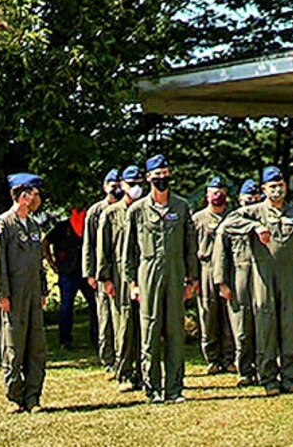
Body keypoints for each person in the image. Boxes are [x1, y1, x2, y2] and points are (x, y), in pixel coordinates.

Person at [218, 166, 293, 395]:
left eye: (280, 186)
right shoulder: (253, 212)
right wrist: (255, 226)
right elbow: (227, 225)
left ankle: (290, 377)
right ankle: (268, 378)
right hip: (263, 277)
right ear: (264, 189)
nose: (277, 191)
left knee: (290, 327)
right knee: (265, 327)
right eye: (272, 187)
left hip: (290, 277)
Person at [122, 154, 199, 404]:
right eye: (157, 176)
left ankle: (175, 388)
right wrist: (132, 283)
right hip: (148, 273)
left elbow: (190, 245)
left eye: (165, 174)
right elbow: (129, 250)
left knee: (175, 330)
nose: (162, 179)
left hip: (176, 273)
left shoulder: (181, 206)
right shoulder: (136, 210)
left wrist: (192, 278)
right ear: (148, 178)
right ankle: (152, 388)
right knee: (150, 329)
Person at [0, 173, 49, 413]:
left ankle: (33, 397)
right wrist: (2, 294)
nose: (38, 199)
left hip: (33, 294)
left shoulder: (34, 225)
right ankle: (15, 397)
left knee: (37, 346)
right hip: (12, 296)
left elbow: (38, 261)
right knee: (13, 347)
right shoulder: (1, 225)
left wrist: (43, 289)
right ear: (23, 196)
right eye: (35, 194)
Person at [97, 165, 145, 391]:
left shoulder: (147, 209)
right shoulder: (110, 213)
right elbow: (102, 249)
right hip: (118, 276)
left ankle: (145, 372)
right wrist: (104, 278)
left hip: (143, 273)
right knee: (124, 325)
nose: (136, 188)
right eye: (131, 184)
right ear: (122, 185)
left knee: (145, 324)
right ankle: (125, 372)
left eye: (139, 184)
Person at [213, 178, 262, 388]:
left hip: (261, 279)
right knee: (241, 328)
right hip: (238, 279)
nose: (252, 202)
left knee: (263, 327)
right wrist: (222, 282)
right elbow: (221, 254)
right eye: (248, 198)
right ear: (240, 200)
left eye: (256, 198)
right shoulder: (232, 220)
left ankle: (263, 369)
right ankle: (245, 371)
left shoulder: (265, 218)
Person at [193, 176, 235, 375]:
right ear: (207, 195)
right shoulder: (198, 219)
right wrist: (191, 278)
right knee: (208, 313)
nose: (218, 196)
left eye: (221, 192)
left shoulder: (233, 217)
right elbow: (191, 248)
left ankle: (229, 357)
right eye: (214, 192)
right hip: (205, 268)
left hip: (229, 268)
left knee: (229, 314)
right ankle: (212, 358)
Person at [82, 168, 122, 370]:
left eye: (118, 184)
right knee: (105, 317)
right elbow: (88, 244)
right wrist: (90, 272)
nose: (115, 188)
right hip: (102, 270)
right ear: (105, 186)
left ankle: (124, 356)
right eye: (111, 184)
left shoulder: (128, 208)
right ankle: (108, 361)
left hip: (122, 268)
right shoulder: (95, 211)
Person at [42, 211, 97, 350]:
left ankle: (96, 337)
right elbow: (46, 242)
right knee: (66, 307)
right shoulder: (61, 227)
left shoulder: (90, 225)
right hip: (67, 272)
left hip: (86, 272)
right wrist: (52, 263)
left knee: (95, 305)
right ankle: (65, 340)